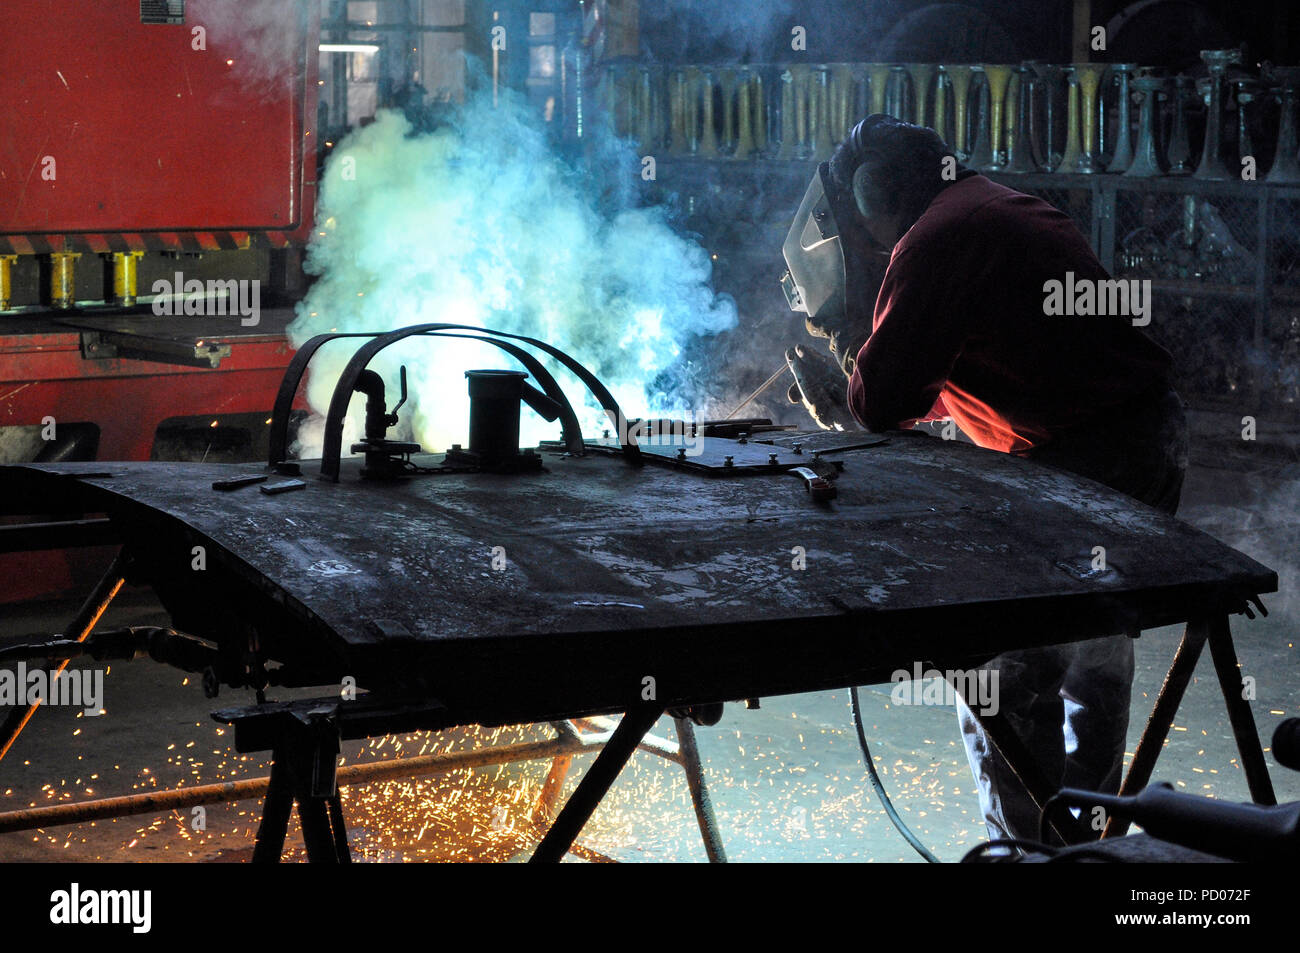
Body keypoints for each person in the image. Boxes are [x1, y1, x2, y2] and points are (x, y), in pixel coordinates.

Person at [782, 114, 1188, 845]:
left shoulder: (938, 239)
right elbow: (951, 381)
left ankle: (1023, 852)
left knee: (998, 669)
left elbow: (885, 403)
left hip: (1092, 460)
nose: (867, 238)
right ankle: (1088, 841)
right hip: (1139, 445)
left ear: (878, 191)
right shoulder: (995, 206)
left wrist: (848, 348)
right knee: (1092, 650)